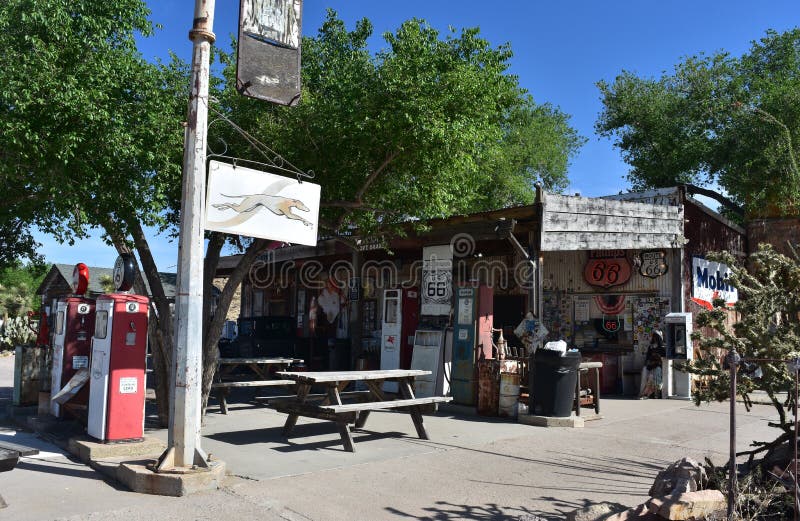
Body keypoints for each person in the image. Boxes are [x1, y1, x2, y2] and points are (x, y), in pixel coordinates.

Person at [639, 329, 665, 399]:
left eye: (656, 337)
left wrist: (657, 362)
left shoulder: (662, 347)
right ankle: (648, 393)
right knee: (649, 377)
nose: (655, 338)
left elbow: (663, 359)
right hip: (651, 365)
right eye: (654, 337)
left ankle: (657, 393)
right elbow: (647, 357)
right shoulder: (651, 347)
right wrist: (647, 364)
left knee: (656, 375)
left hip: (659, 366)